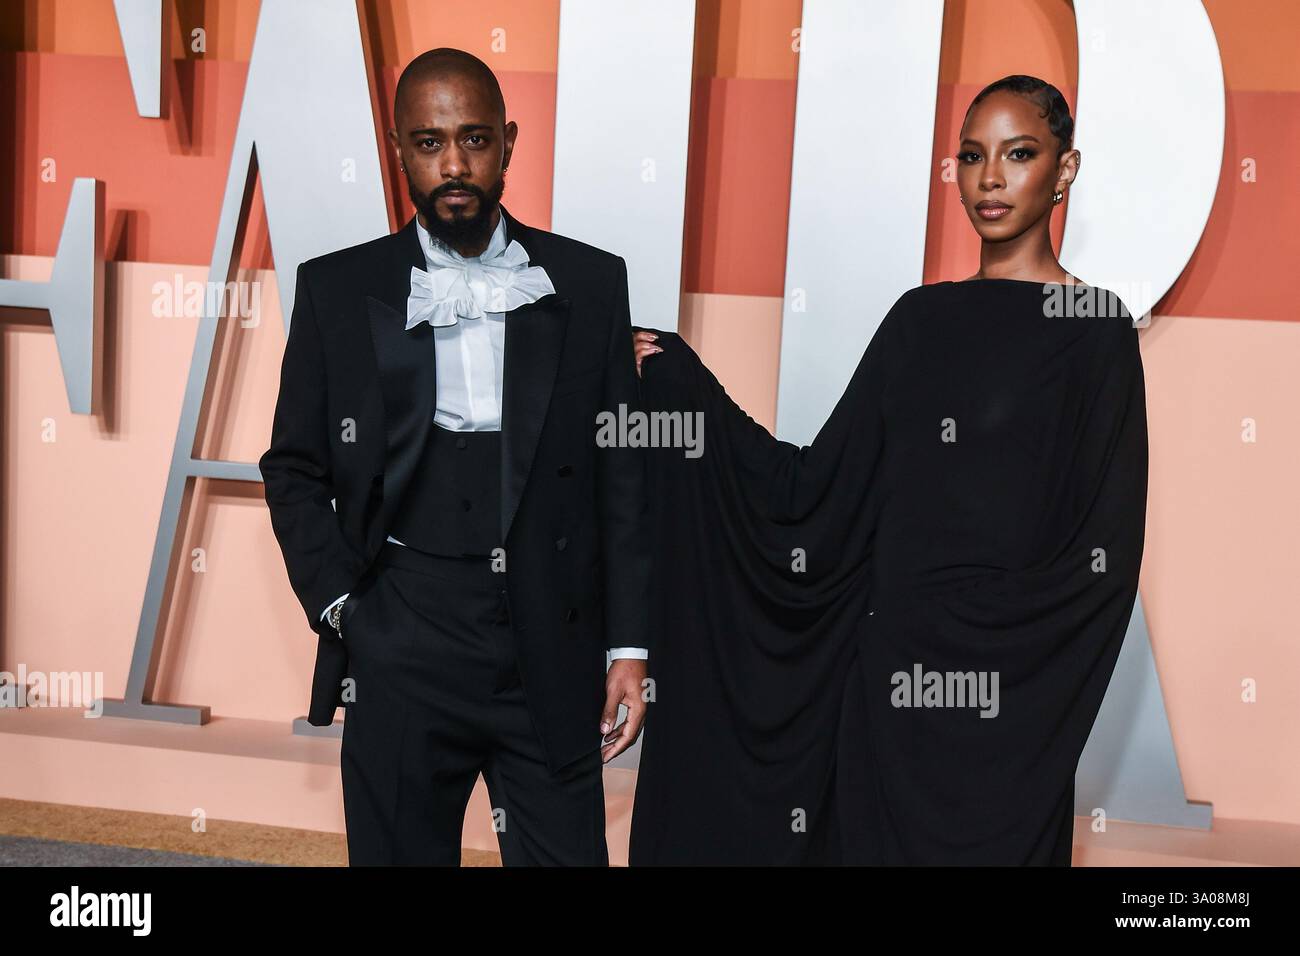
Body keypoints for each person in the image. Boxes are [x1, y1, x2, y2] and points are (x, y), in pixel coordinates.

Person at [627, 75, 1148, 865]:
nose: (990, 179)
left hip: (1013, 700)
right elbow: (814, 491)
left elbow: (1102, 556)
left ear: (1064, 169)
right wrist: (684, 387)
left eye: (1018, 154)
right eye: (971, 156)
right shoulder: (918, 320)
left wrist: (1022, 696)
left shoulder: (1095, 329)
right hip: (892, 683)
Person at [259, 48, 652, 865]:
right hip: (403, 639)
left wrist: (629, 648)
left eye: (474, 139)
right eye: (429, 143)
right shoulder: (337, 288)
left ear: (508, 142)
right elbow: (293, 467)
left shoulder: (590, 282)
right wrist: (347, 611)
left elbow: (621, 476)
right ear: (397, 149)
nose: (454, 166)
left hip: (549, 640)